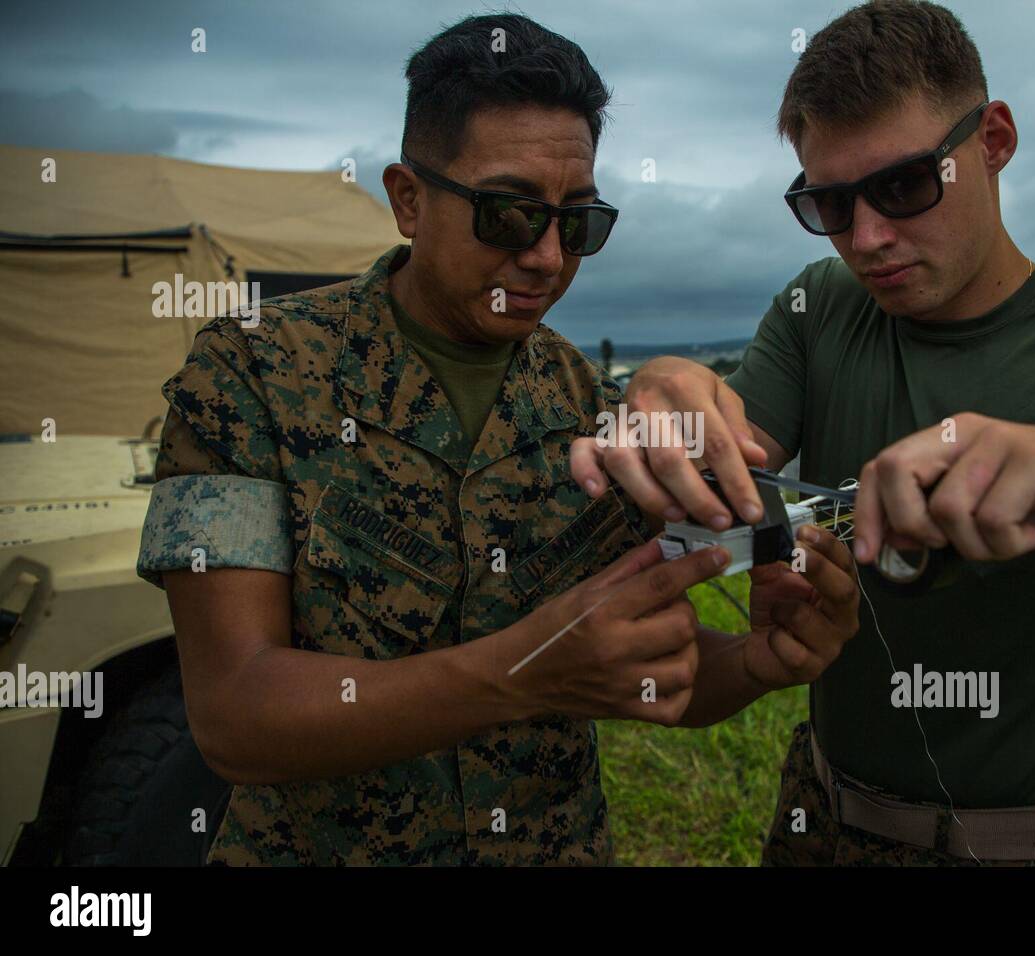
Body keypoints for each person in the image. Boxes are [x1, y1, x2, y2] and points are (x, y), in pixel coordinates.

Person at [572, 0, 1035, 866]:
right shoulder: (822, 307)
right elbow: (726, 450)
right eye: (829, 204)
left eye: (906, 185)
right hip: (816, 812)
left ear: (992, 141)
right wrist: (669, 399)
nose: (869, 239)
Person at [135, 13, 859, 866]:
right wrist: (525, 671)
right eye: (509, 215)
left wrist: (758, 660)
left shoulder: (579, 396)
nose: (548, 258)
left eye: (579, 223)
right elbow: (236, 715)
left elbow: (636, 662)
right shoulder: (256, 369)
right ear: (408, 199)